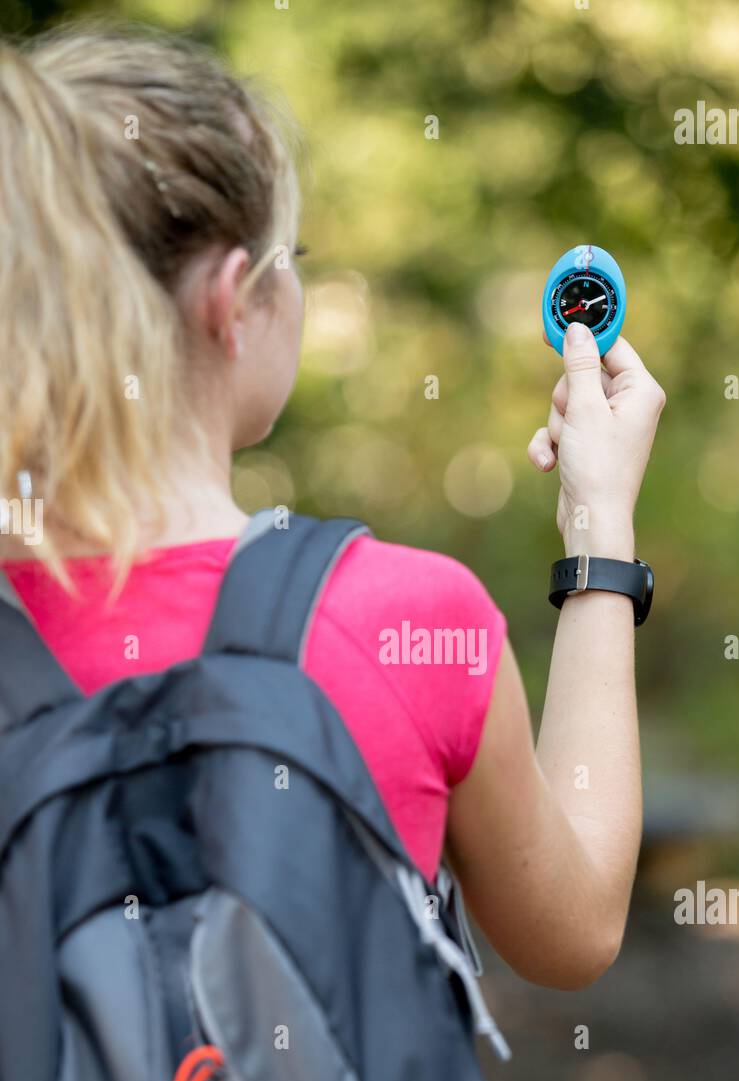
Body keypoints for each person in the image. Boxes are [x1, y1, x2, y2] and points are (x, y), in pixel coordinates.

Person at [0, 26, 664, 995]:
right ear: (233, 300)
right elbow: (575, 926)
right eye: (291, 255)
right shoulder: (406, 621)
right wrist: (598, 526)